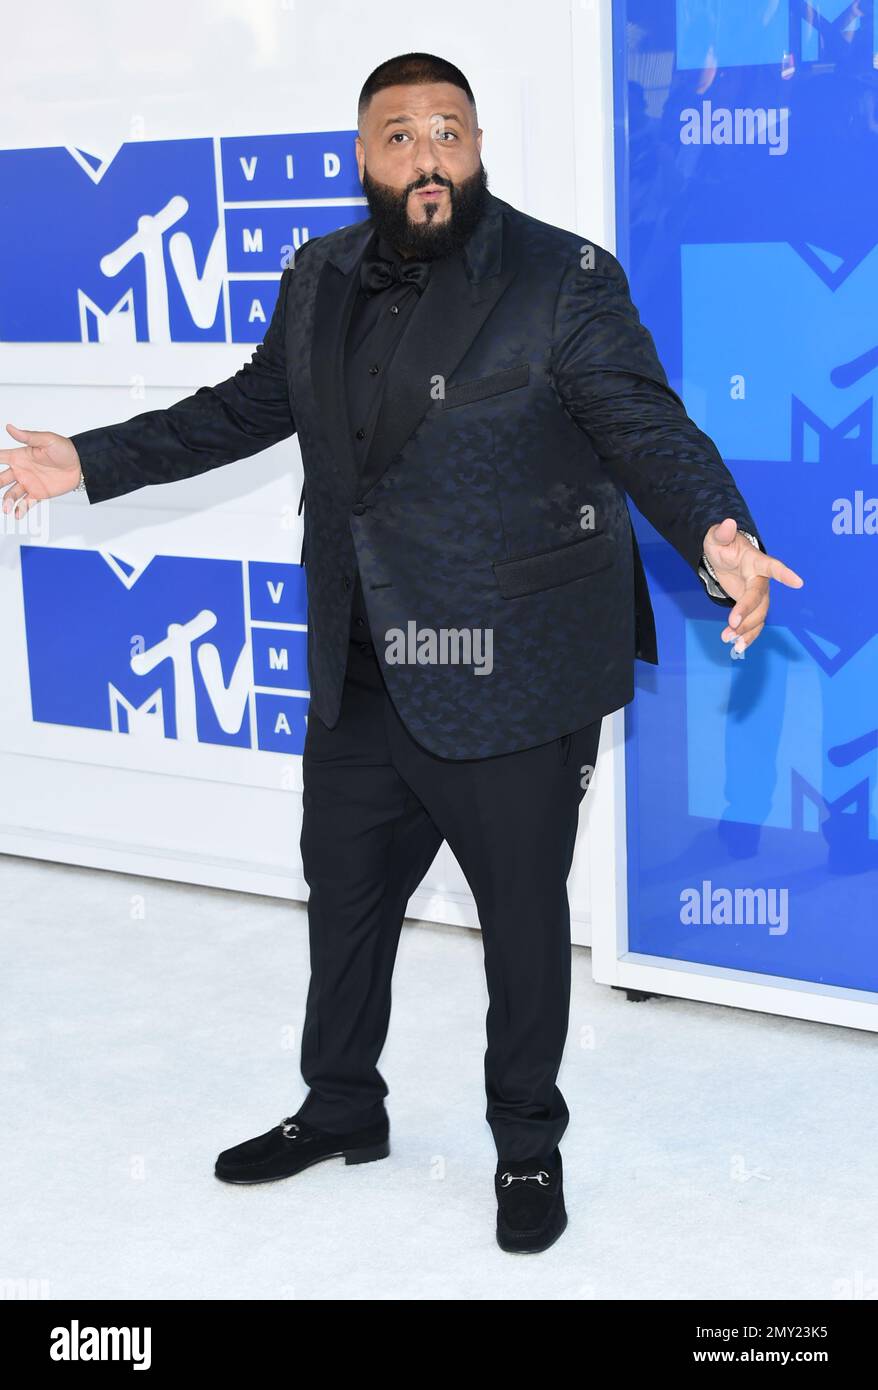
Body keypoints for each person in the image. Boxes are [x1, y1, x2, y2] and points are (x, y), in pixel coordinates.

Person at [0, 52, 802, 1254]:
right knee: (346, 900)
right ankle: (340, 1107)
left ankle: (527, 1147)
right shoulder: (319, 271)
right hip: (362, 664)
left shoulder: (561, 277)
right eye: (398, 134)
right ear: (361, 154)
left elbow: (642, 422)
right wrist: (90, 459)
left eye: (448, 131)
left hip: (512, 668)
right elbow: (245, 405)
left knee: (522, 924)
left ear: (475, 146)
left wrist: (715, 530)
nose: (426, 154)